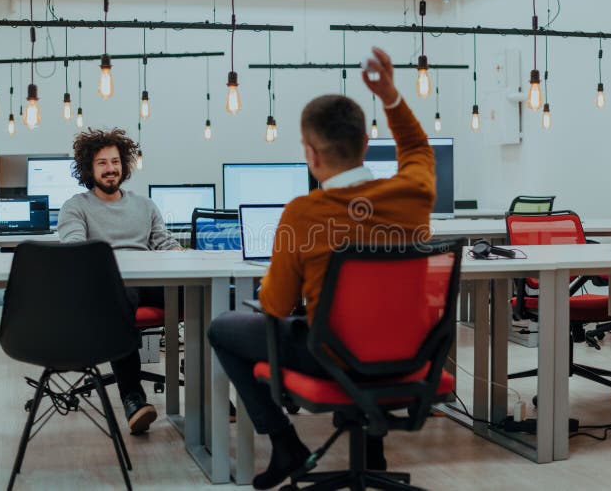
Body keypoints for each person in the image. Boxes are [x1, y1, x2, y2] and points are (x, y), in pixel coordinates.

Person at [208, 47, 436, 490]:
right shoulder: (414, 191)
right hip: (410, 355)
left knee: (223, 328)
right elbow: (417, 148)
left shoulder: (302, 213)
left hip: (332, 359)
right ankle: (371, 446)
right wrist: (389, 96)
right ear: (366, 143)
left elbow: (275, 305)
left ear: (311, 155)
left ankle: (284, 444)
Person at [58, 127, 181, 435]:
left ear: (124, 164)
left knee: (204, 296)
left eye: (115, 161)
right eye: (102, 163)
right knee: (118, 300)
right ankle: (133, 399)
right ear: (89, 168)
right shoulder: (76, 207)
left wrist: (184, 256)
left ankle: (207, 393)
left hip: (150, 282)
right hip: (110, 286)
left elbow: (165, 244)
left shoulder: (145, 205)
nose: (111, 168)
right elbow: (75, 247)